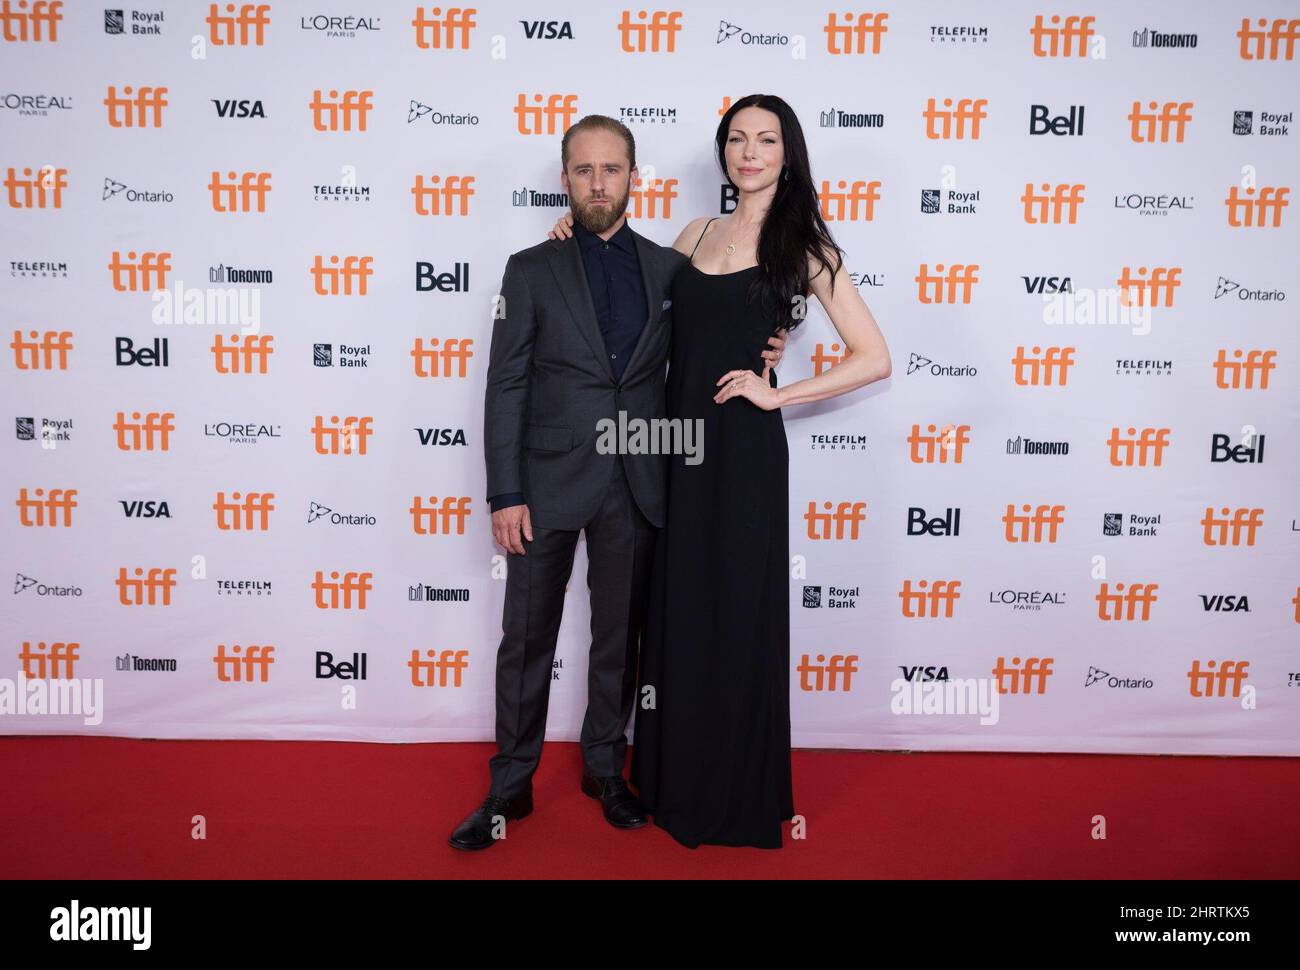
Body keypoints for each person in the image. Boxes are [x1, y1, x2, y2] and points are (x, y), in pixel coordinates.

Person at [549, 94, 892, 848]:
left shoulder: (804, 246)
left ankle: (734, 792)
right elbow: (634, 310)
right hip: (676, 449)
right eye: (737, 138)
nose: (750, 152)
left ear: (788, 154)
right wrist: (578, 241)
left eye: (766, 140)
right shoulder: (696, 233)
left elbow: (875, 357)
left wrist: (779, 391)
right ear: (724, 151)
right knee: (681, 611)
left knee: (737, 612)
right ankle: (674, 781)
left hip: (742, 454)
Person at [448, 115, 786, 851]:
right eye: (583, 170)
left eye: (612, 169)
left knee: (617, 643)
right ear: (565, 180)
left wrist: (770, 348)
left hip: (637, 481)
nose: (598, 183)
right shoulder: (529, 268)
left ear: (636, 177)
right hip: (543, 485)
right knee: (525, 639)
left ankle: (606, 768)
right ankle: (510, 784)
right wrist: (505, 493)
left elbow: (722, 332)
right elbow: (504, 386)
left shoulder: (671, 268)